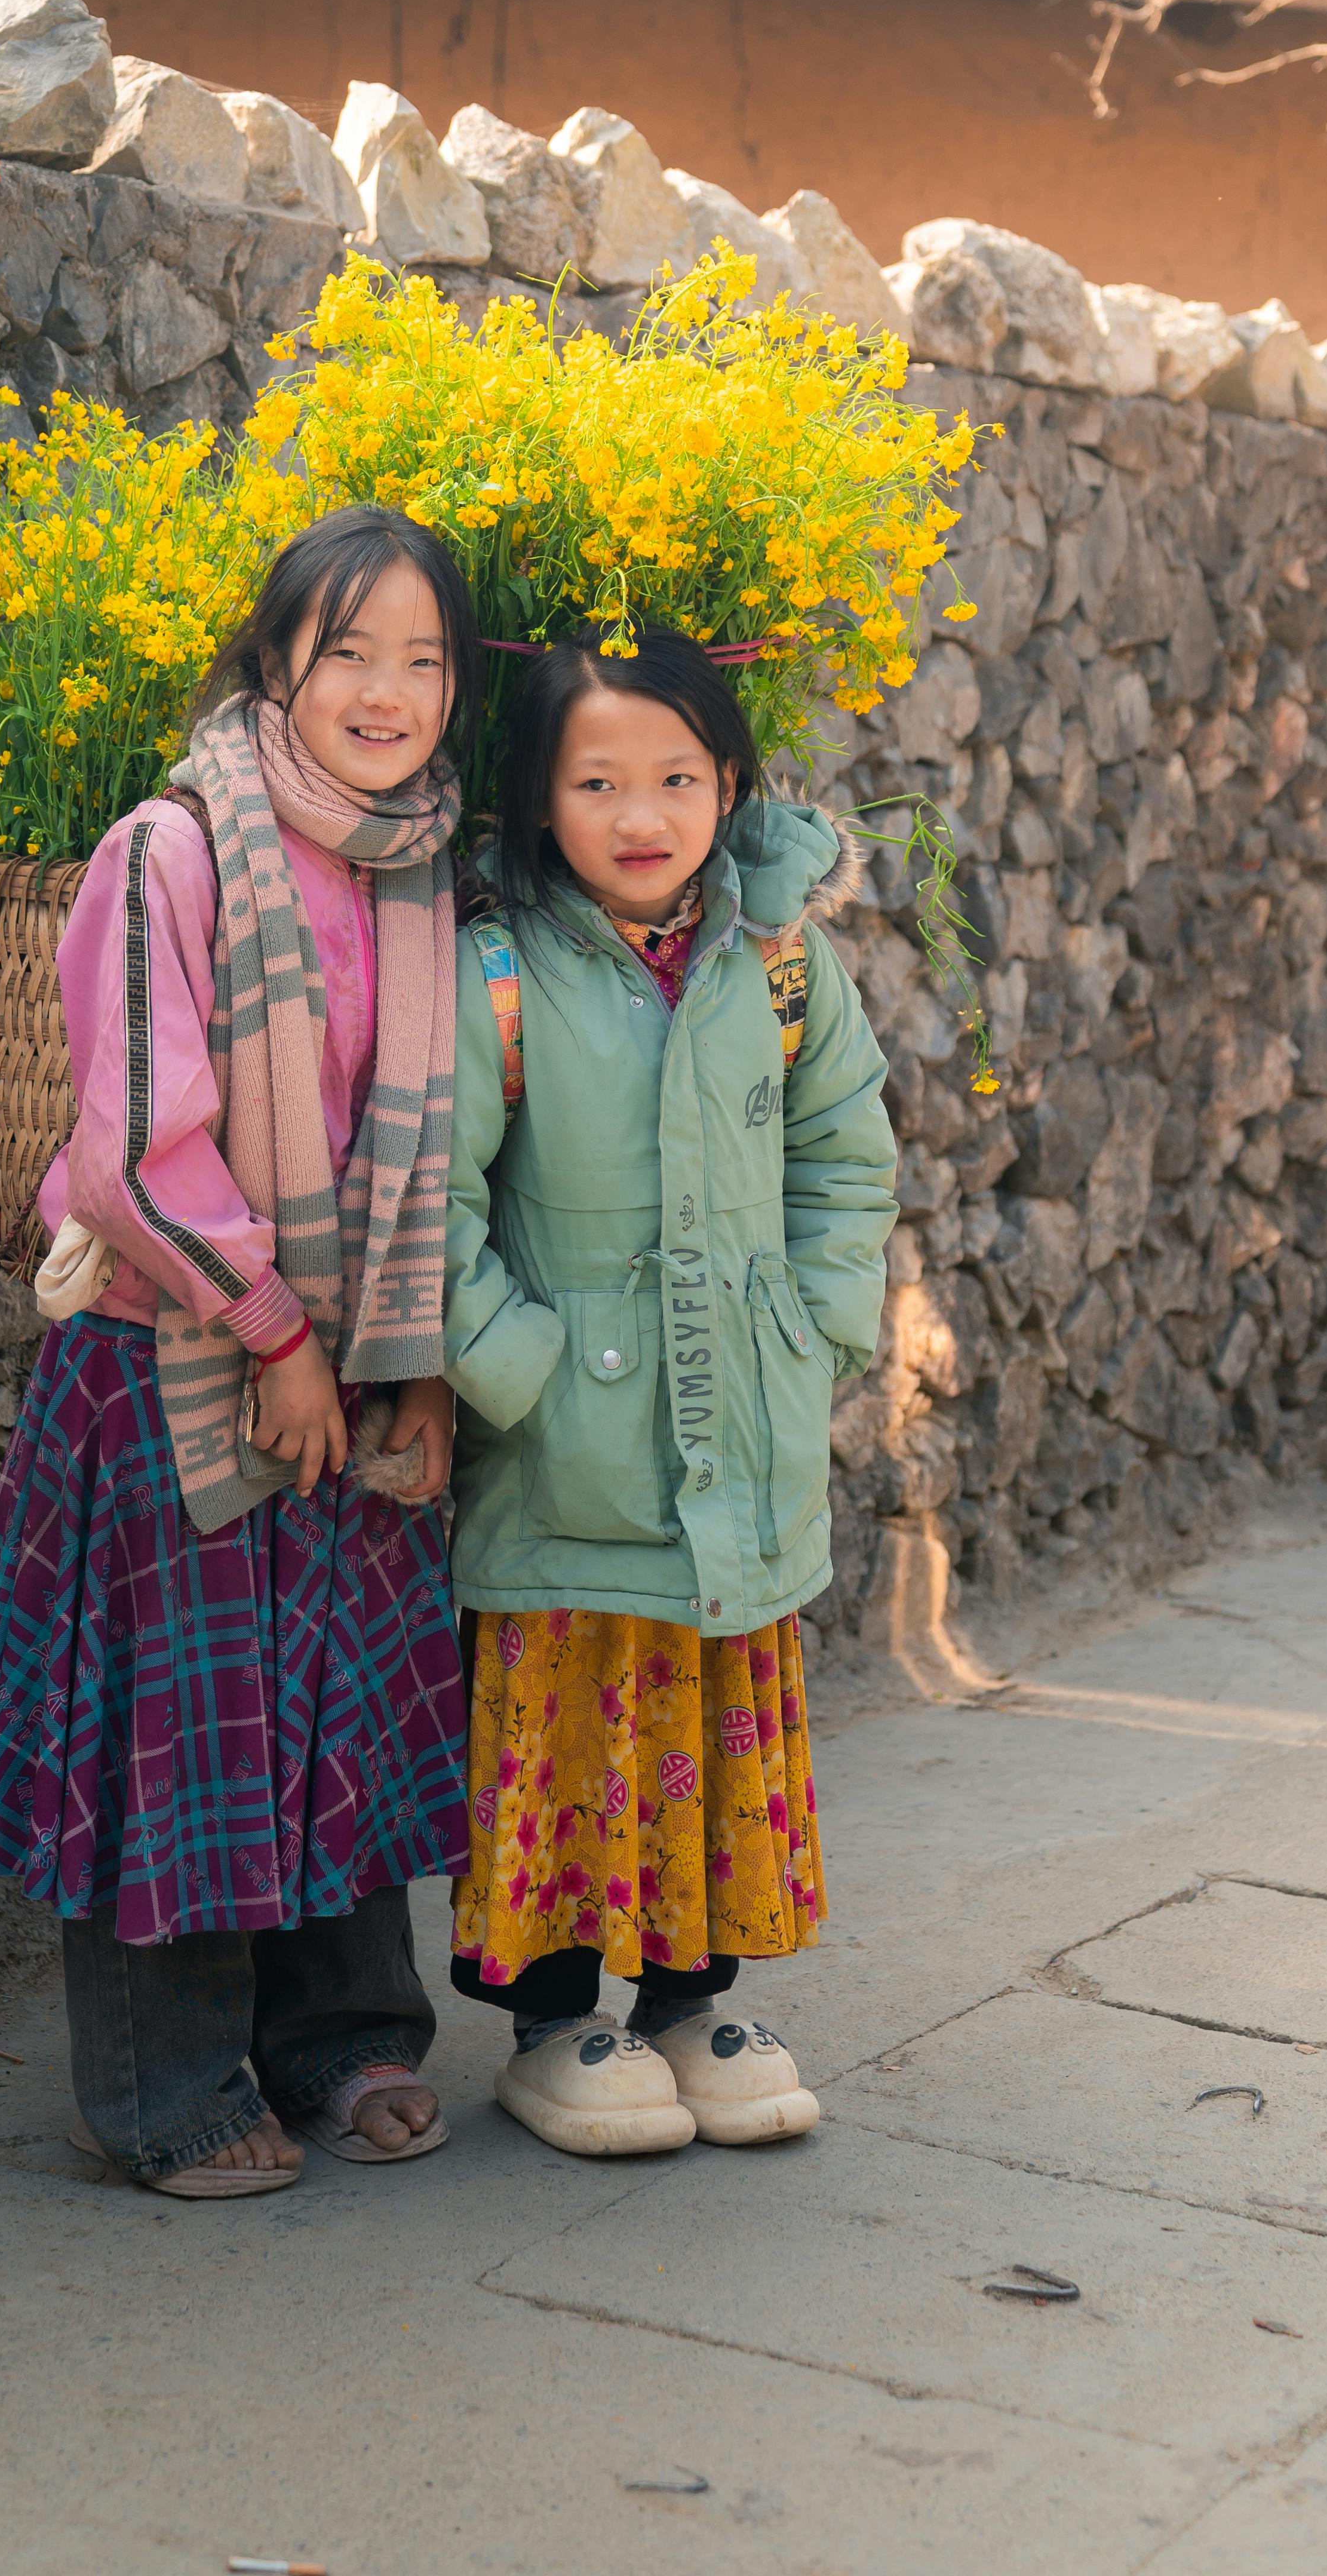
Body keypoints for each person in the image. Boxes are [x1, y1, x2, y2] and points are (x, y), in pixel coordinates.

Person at [0, 508, 477, 2199]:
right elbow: (138, 1144)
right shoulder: (172, 848)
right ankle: (164, 2089)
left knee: (335, 1713)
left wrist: (412, 1360)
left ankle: (344, 2041)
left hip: (354, 1359)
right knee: (182, 1736)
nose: (386, 692)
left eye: (423, 658)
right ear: (274, 659)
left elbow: (438, 1140)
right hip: (179, 1353)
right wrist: (275, 1331)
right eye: (347, 652)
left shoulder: (418, 868)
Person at [442, 626, 898, 2154]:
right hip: (561, 1452)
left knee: (713, 1706)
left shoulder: (779, 963)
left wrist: (815, 1327)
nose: (640, 816)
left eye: (677, 778)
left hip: (739, 1432)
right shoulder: (496, 973)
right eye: (596, 782)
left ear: (728, 785)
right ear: (535, 796)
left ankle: (691, 2006)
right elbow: (431, 1206)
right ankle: (555, 2023)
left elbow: (843, 1153)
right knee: (566, 1723)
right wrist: (518, 1371)